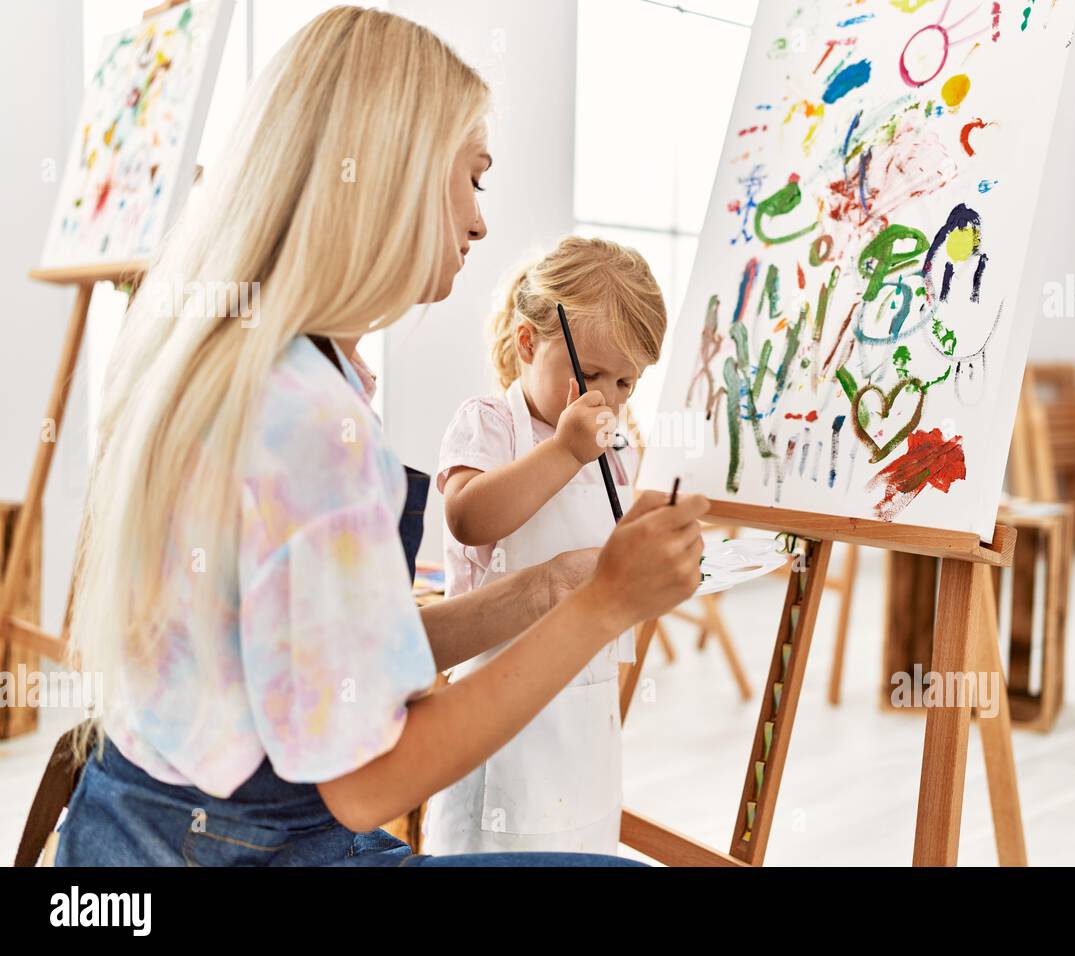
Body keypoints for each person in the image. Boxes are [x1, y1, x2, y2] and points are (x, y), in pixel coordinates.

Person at [53, 5, 705, 867]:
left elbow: (333, 667)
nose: (479, 223)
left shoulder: (243, 364)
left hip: (122, 840)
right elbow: (367, 784)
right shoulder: (311, 425)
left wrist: (552, 588)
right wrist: (604, 606)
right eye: (472, 178)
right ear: (388, 176)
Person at [426, 236, 667, 853]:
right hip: (495, 718)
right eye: (589, 375)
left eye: (625, 383)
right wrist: (562, 450)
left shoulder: (618, 453)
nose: (607, 399)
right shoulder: (490, 423)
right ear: (529, 342)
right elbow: (469, 518)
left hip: (583, 722)